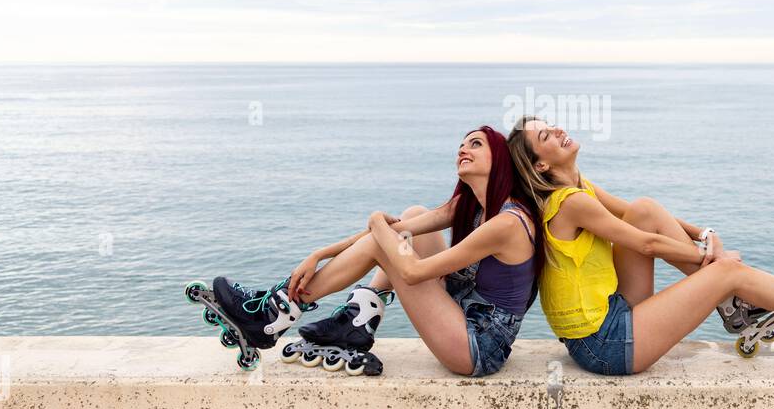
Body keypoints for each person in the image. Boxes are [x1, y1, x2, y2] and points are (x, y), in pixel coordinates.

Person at [506, 115, 774, 375]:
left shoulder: (582, 188)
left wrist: (704, 235)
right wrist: (716, 261)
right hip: (604, 347)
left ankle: (738, 307)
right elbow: (647, 245)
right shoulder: (570, 203)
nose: (558, 129)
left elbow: (647, 220)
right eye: (545, 136)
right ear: (541, 165)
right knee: (726, 271)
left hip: (613, 314)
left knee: (645, 207)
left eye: (551, 124)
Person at [210, 126, 540, 377]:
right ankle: (356, 317)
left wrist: (375, 221)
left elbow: (411, 272)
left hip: (478, 346)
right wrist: (320, 253)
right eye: (461, 145)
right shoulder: (469, 205)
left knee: (392, 245)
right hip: (461, 309)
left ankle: (274, 315)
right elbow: (390, 235)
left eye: (475, 144)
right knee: (412, 216)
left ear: (499, 159)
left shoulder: (508, 223)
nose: (462, 150)